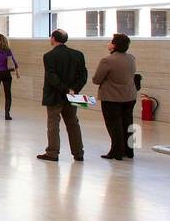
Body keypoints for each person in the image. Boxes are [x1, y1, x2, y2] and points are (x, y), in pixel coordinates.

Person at [37, 28, 88, 162]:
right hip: (73, 95)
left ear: (53, 38)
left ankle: (52, 152)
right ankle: (78, 153)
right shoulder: (78, 54)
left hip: (55, 95)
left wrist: (64, 89)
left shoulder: (49, 56)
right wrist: (73, 89)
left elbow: (51, 76)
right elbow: (83, 75)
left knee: (53, 124)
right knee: (73, 123)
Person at [94, 32, 138, 161]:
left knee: (114, 124)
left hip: (112, 97)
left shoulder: (107, 60)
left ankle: (116, 151)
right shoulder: (131, 58)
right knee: (128, 123)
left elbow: (97, 79)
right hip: (130, 95)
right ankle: (129, 150)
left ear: (114, 45)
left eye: (111, 41)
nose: (109, 43)